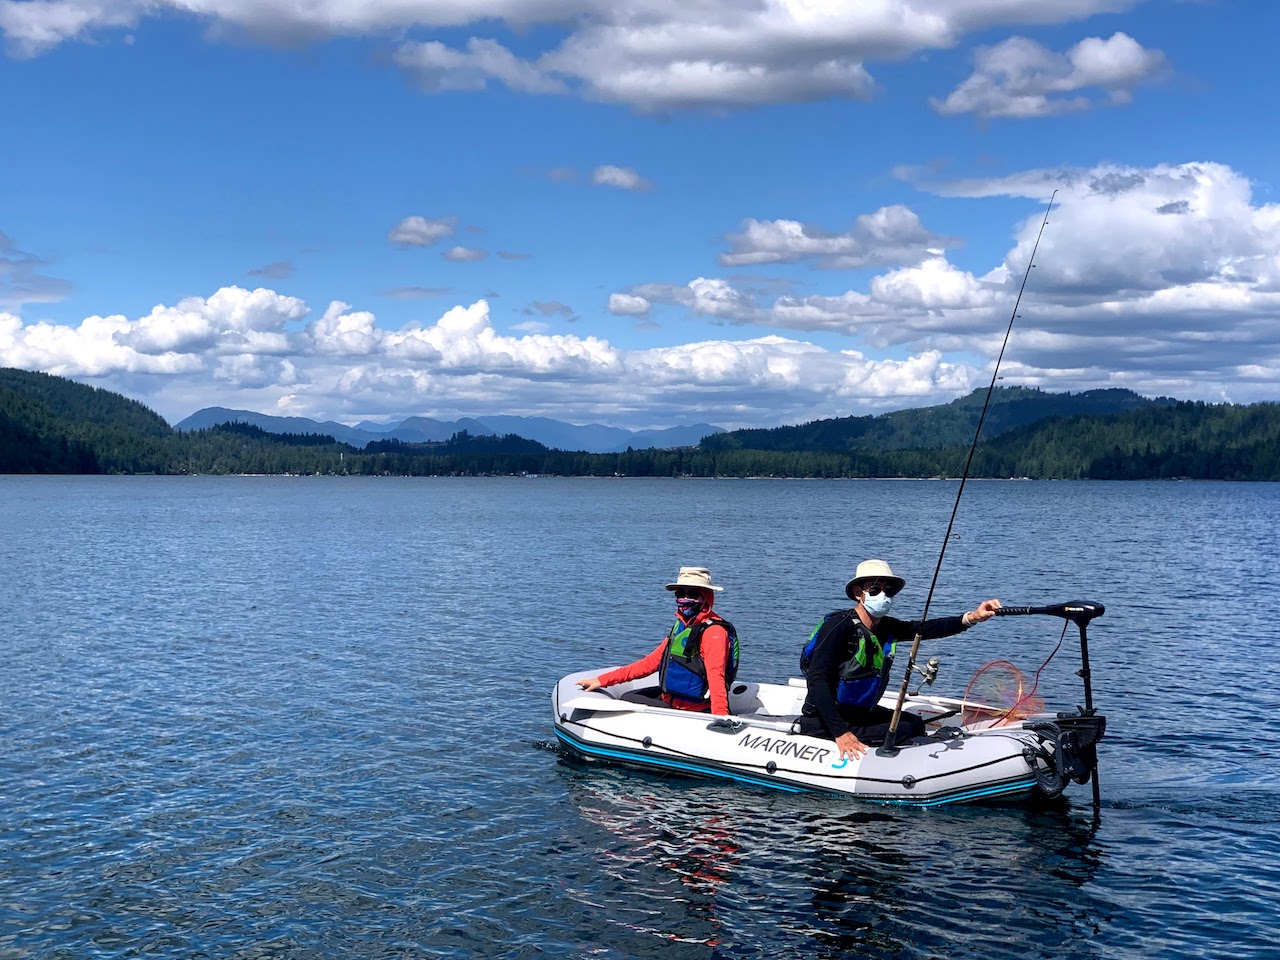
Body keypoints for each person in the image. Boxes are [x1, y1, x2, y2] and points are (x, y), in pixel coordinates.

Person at [798, 559, 1001, 760]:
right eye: (875, 589)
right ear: (858, 593)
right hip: (824, 718)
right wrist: (840, 733)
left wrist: (972, 617)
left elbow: (924, 629)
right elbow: (817, 681)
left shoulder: (886, 627)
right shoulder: (839, 627)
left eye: (889, 591)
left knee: (914, 724)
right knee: (902, 730)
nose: (883, 596)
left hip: (861, 714)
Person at [577, 566, 740, 716]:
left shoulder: (714, 632)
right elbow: (650, 663)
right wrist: (601, 680)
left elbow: (715, 674)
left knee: (628, 702)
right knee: (628, 696)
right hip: (671, 700)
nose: (685, 598)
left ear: (706, 596)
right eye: (680, 593)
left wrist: (720, 716)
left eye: (692, 594)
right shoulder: (682, 626)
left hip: (695, 710)